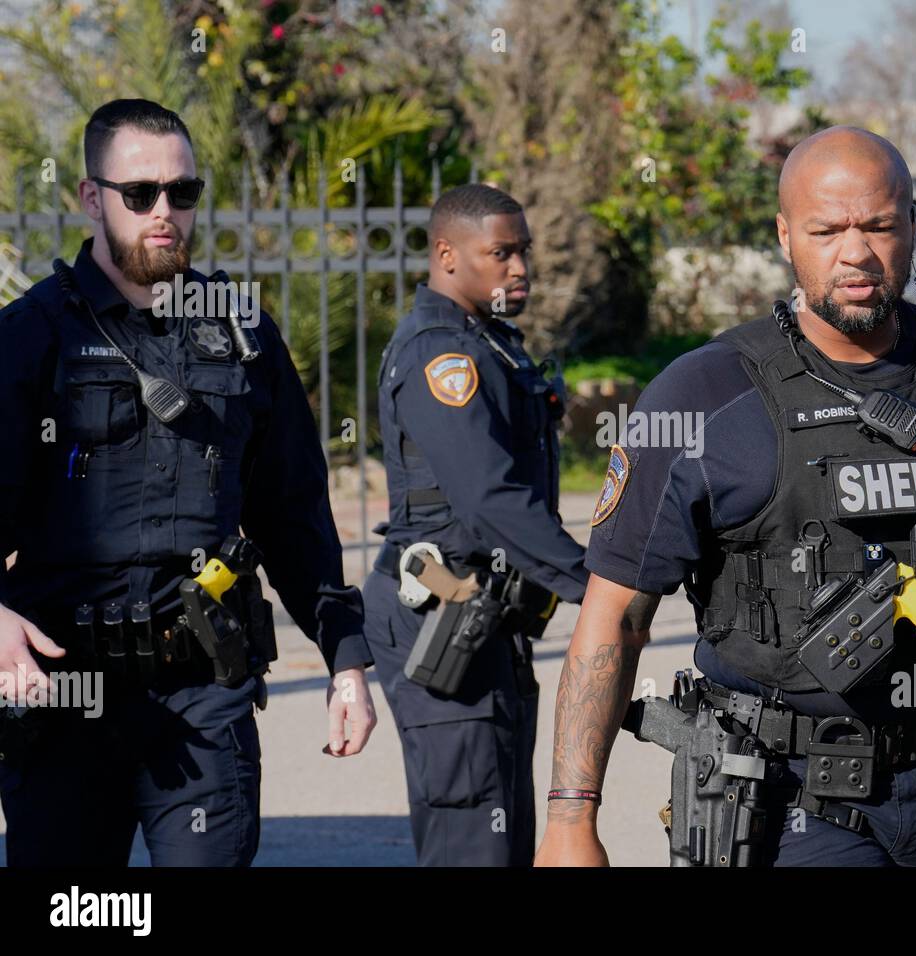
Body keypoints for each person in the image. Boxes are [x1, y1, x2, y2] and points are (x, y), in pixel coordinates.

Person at [534, 127, 916, 868]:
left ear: (914, 228)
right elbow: (616, 616)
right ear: (785, 235)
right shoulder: (703, 398)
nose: (855, 253)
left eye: (880, 226)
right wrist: (571, 820)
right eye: (827, 230)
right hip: (784, 804)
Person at [0, 98, 376, 867]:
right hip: (65, 695)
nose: (164, 211)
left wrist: (346, 659)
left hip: (205, 689)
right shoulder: (31, 335)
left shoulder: (241, 334)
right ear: (91, 197)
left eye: (183, 192)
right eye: (140, 194)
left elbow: (294, 513)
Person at [364, 183, 588, 866]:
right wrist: (597, 583)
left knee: (503, 842)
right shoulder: (444, 356)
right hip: (443, 622)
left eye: (524, 252)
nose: (520, 269)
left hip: (487, 623)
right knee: (473, 849)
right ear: (447, 255)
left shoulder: (489, 343)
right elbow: (489, 499)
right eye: (501, 253)